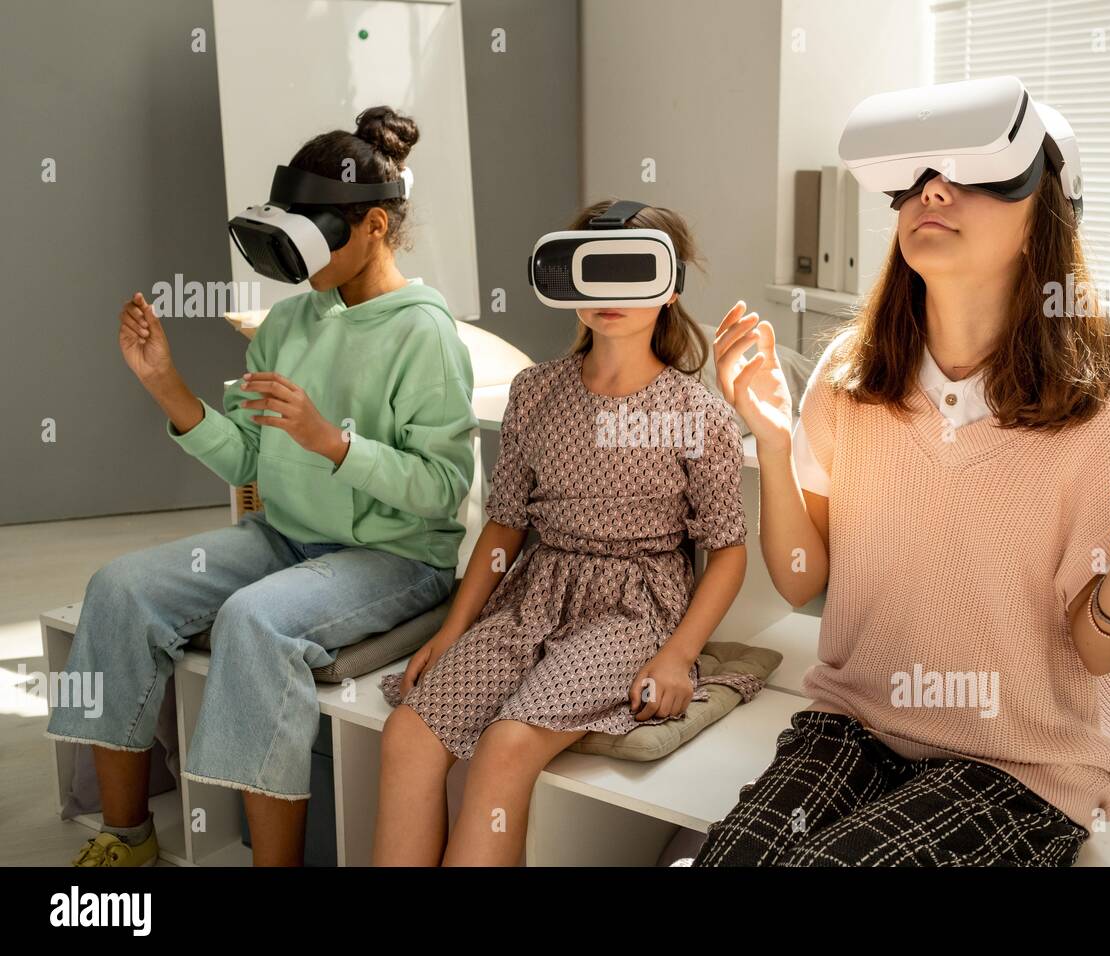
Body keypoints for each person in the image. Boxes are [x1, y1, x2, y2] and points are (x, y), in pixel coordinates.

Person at [696, 149, 1110, 866]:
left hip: (1026, 764)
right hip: (855, 722)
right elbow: (802, 580)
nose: (933, 189)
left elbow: (1097, 653)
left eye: (976, 175)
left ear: (1041, 223)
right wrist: (774, 447)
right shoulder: (847, 379)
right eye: (919, 178)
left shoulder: (1109, 407)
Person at [46, 106, 474, 867]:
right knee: (119, 587)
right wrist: (167, 386)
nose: (301, 262)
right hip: (284, 539)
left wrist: (334, 443)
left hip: (394, 558)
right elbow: (249, 459)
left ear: (373, 226)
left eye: (318, 236)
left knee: (253, 621)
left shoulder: (425, 332)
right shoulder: (290, 322)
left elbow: (443, 490)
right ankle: (127, 836)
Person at [372, 201, 749, 866]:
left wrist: (678, 656)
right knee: (407, 731)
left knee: (507, 745)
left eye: (629, 272)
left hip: (635, 611)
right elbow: (505, 525)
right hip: (534, 595)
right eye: (592, 271)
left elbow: (726, 552)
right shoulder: (535, 392)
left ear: (668, 285)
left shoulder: (698, 413)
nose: (608, 294)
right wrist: (454, 629)